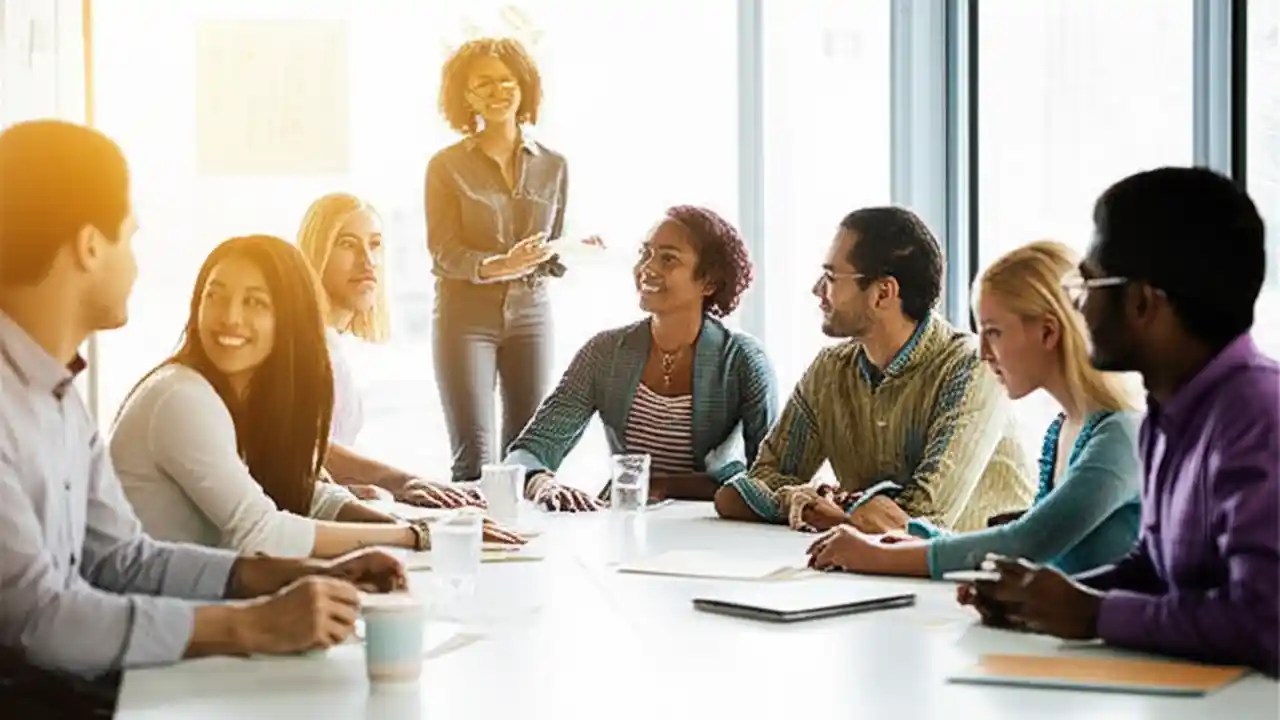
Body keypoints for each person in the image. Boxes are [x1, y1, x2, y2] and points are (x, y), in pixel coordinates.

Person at [0, 120, 404, 715]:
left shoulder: (56, 394)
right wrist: (252, 627)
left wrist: (296, 576)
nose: (136, 267)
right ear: (90, 246)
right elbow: (39, 618)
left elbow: (123, 560)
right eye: (129, 240)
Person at [963, 167, 1279, 676]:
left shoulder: (1261, 416)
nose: (1077, 307)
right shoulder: (1166, 413)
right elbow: (1154, 569)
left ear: (1141, 302)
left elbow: (1266, 622)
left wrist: (1094, 613)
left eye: (1085, 284)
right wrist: (1040, 600)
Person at [111, 235, 522, 558]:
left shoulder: (240, 397)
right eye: (214, 296)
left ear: (289, 318)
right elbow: (262, 532)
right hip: (155, 629)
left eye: (254, 302)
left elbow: (306, 493)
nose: (229, 316)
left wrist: (405, 520)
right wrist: (418, 535)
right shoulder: (181, 397)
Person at [807, 241, 1141, 577]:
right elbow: (1025, 542)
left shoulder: (1119, 436)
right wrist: (914, 539)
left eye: (993, 333)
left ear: (1048, 332)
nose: (982, 352)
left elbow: (1027, 544)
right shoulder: (1064, 429)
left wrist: (876, 556)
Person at [714, 207, 1034, 534]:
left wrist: (840, 511)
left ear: (883, 292)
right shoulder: (830, 370)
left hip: (975, 576)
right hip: (872, 573)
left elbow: (923, 521)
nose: (817, 290)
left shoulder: (971, 368)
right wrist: (805, 501)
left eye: (831, 278)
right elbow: (759, 480)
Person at [505, 206, 778, 510]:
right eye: (644, 253)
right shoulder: (605, 352)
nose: (647, 268)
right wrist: (543, 483)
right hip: (628, 519)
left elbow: (771, 474)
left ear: (709, 282)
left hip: (714, 523)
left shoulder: (743, 360)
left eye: (668, 258)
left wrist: (663, 485)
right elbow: (528, 451)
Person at [426, 37, 599, 482]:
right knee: (475, 457)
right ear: (464, 95)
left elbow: (550, 248)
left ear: (524, 89)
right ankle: (475, 543)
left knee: (527, 451)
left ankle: (524, 545)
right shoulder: (445, 167)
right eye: (483, 84)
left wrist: (569, 249)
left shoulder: (554, 165)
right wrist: (496, 265)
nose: (498, 92)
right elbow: (444, 251)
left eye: (507, 82)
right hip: (465, 316)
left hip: (531, 313)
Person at [297, 192, 480, 508]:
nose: (367, 261)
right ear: (316, 254)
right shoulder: (299, 344)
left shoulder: (332, 346)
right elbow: (307, 447)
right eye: (347, 244)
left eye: (375, 244)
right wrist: (401, 482)